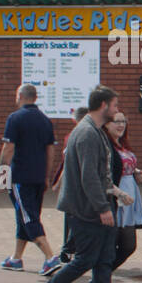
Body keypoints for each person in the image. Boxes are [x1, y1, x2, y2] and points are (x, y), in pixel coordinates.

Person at [34, 86, 134, 283]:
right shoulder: (87, 134)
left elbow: (103, 173)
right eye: (115, 105)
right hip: (87, 210)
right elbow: (88, 176)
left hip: (100, 205)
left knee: (104, 259)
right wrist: (102, 208)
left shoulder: (96, 131)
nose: (117, 110)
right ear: (103, 106)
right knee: (85, 259)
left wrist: (114, 194)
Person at [0, 83, 62, 275]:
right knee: (23, 215)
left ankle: (50, 257)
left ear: (20, 96)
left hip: (20, 177)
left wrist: (2, 174)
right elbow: (51, 151)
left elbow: (8, 148)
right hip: (38, 178)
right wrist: (46, 176)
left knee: (29, 217)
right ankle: (16, 259)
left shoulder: (15, 118)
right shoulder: (45, 120)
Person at [104, 111, 142, 272]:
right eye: (116, 121)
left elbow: (125, 165)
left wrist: (137, 173)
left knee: (129, 245)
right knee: (113, 242)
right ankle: (101, 277)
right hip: (115, 196)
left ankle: (103, 274)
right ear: (107, 124)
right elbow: (104, 173)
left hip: (130, 195)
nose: (121, 125)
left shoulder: (123, 145)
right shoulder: (106, 146)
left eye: (123, 121)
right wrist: (118, 193)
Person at [52, 105, 91, 263]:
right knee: (76, 218)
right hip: (78, 184)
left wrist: (59, 183)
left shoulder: (72, 136)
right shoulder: (80, 136)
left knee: (72, 218)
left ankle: (69, 250)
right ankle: (68, 250)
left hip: (73, 184)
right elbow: (69, 163)